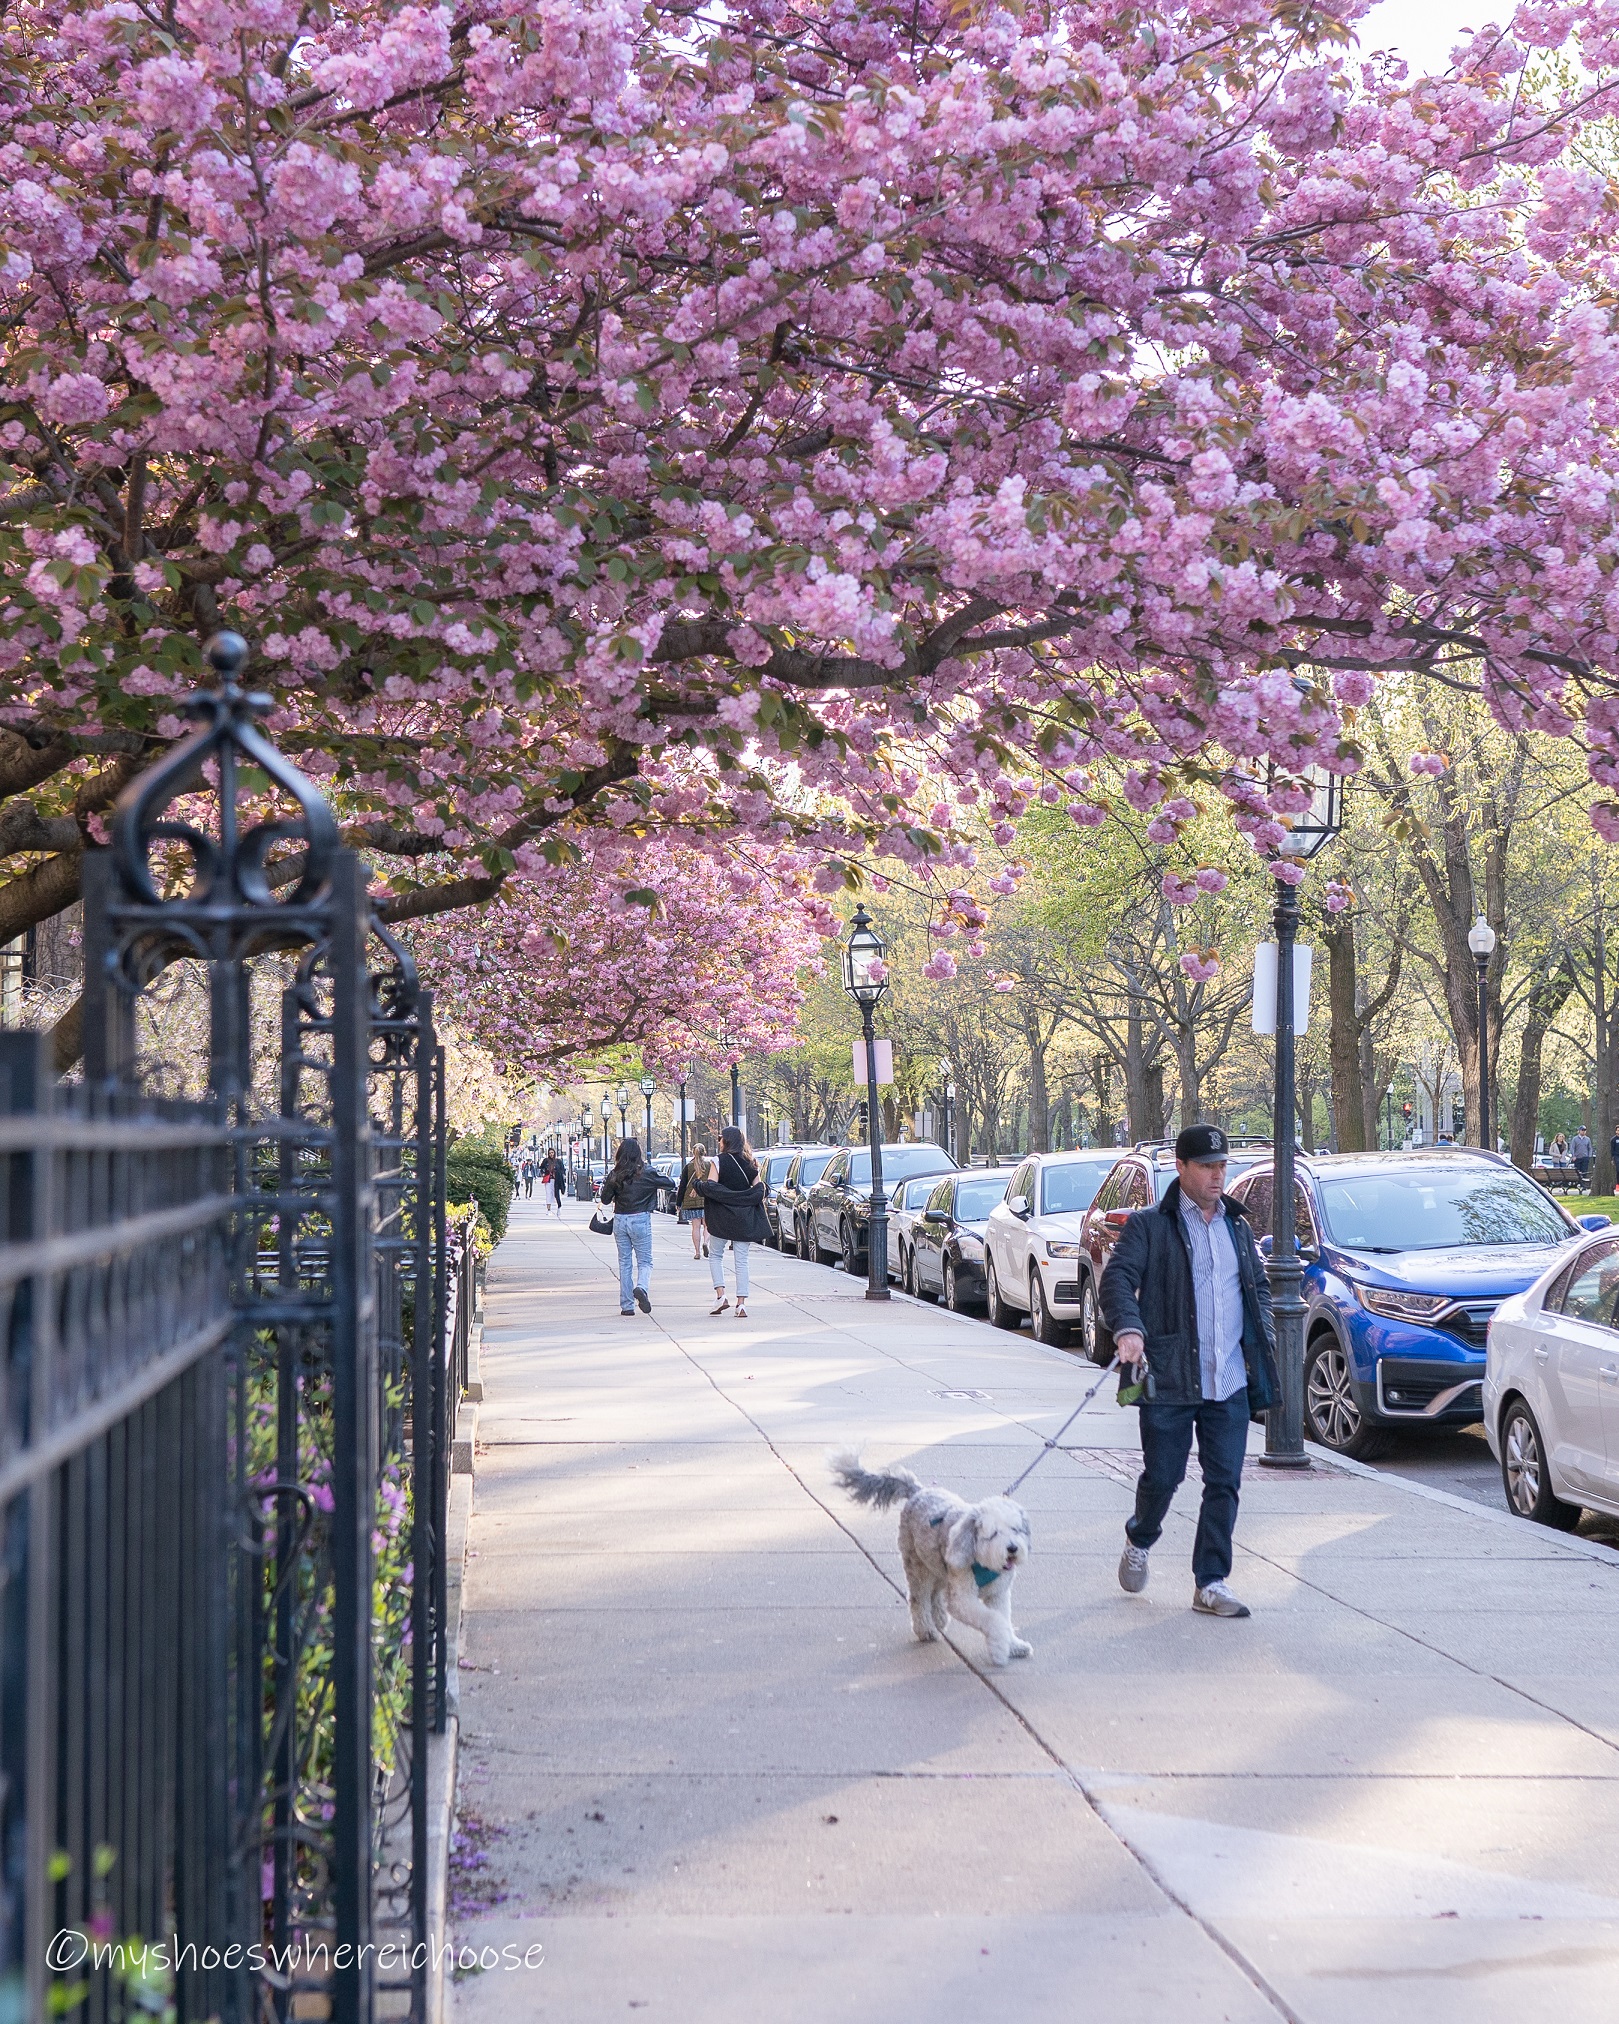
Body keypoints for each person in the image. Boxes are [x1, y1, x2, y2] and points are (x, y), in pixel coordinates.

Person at [1098, 1123, 1280, 1620]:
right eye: (1207, 1166)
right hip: (1170, 1375)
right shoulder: (1150, 1226)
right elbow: (1118, 1279)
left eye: (1222, 1166)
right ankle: (1141, 1536)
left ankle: (1211, 1582)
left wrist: (1260, 1327)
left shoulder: (1237, 1227)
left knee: (1225, 1482)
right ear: (1181, 1168)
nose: (1218, 1176)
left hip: (1229, 1380)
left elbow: (1256, 1287)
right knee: (1164, 1475)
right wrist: (1129, 1329)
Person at [695, 1126, 770, 1320]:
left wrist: (699, 1186)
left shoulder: (718, 1161)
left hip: (721, 1217)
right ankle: (742, 1303)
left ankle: (721, 1295)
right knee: (742, 1260)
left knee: (715, 1255)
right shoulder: (751, 1163)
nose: (719, 1141)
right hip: (744, 1218)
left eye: (720, 1138)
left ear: (725, 1141)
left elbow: (711, 1187)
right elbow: (758, 1190)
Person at [598, 1138, 674, 1315]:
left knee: (625, 1263)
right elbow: (670, 1183)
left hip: (620, 1219)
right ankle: (642, 1287)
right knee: (645, 1261)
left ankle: (627, 1305)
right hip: (640, 1218)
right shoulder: (647, 1172)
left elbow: (605, 1199)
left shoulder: (615, 1174)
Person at [677, 1144, 713, 1259]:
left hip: (691, 1200)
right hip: (707, 1199)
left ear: (693, 1152)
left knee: (695, 1227)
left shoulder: (688, 1167)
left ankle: (697, 1252)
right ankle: (706, 1243)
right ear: (704, 1152)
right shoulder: (709, 1165)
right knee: (707, 1226)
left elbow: (682, 1186)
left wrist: (679, 1203)